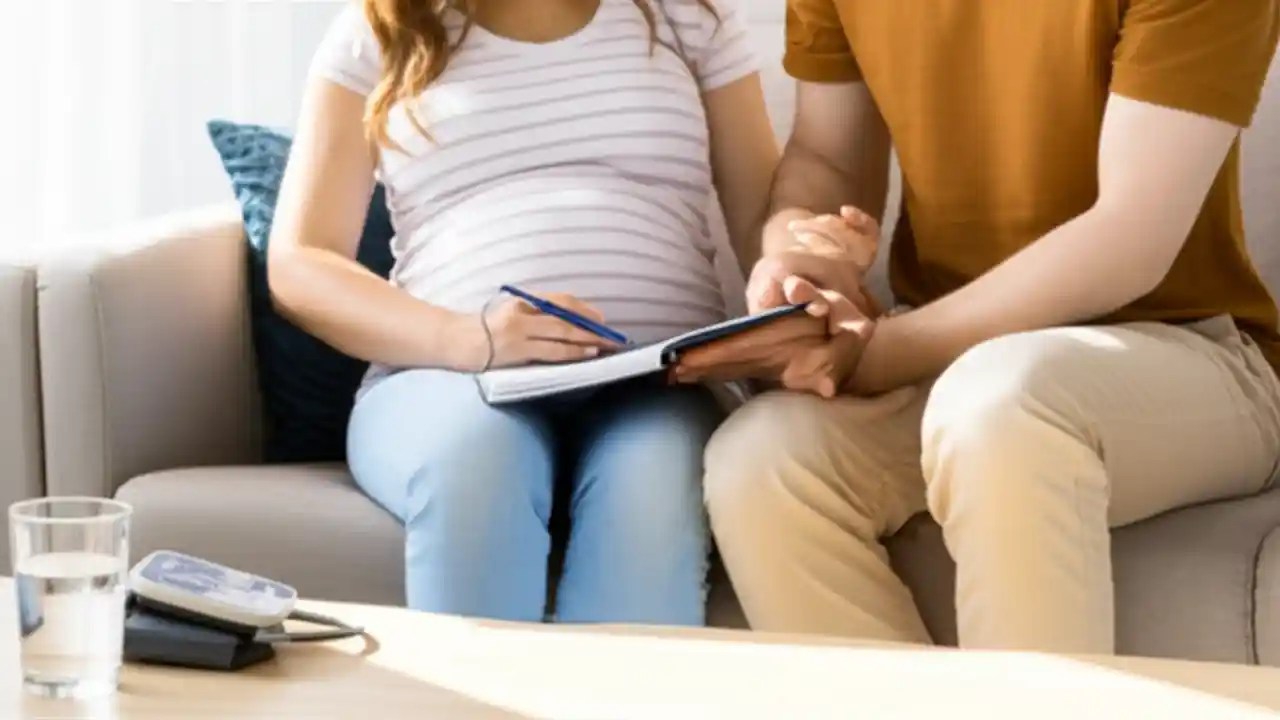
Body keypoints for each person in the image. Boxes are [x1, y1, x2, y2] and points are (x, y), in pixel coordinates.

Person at [676, 0, 1280, 653]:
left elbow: (1131, 237)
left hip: (1195, 356)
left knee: (998, 407)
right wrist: (796, 258)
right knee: (759, 462)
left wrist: (883, 353)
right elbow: (827, 156)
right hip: (953, 371)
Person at [267, 0, 777, 625]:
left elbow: (763, 222)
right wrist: (466, 339)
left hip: (660, 387)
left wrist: (805, 270)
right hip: (447, 383)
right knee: (476, 458)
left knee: (651, 484)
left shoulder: (689, 15)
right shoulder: (379, 29)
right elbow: (300, 262)